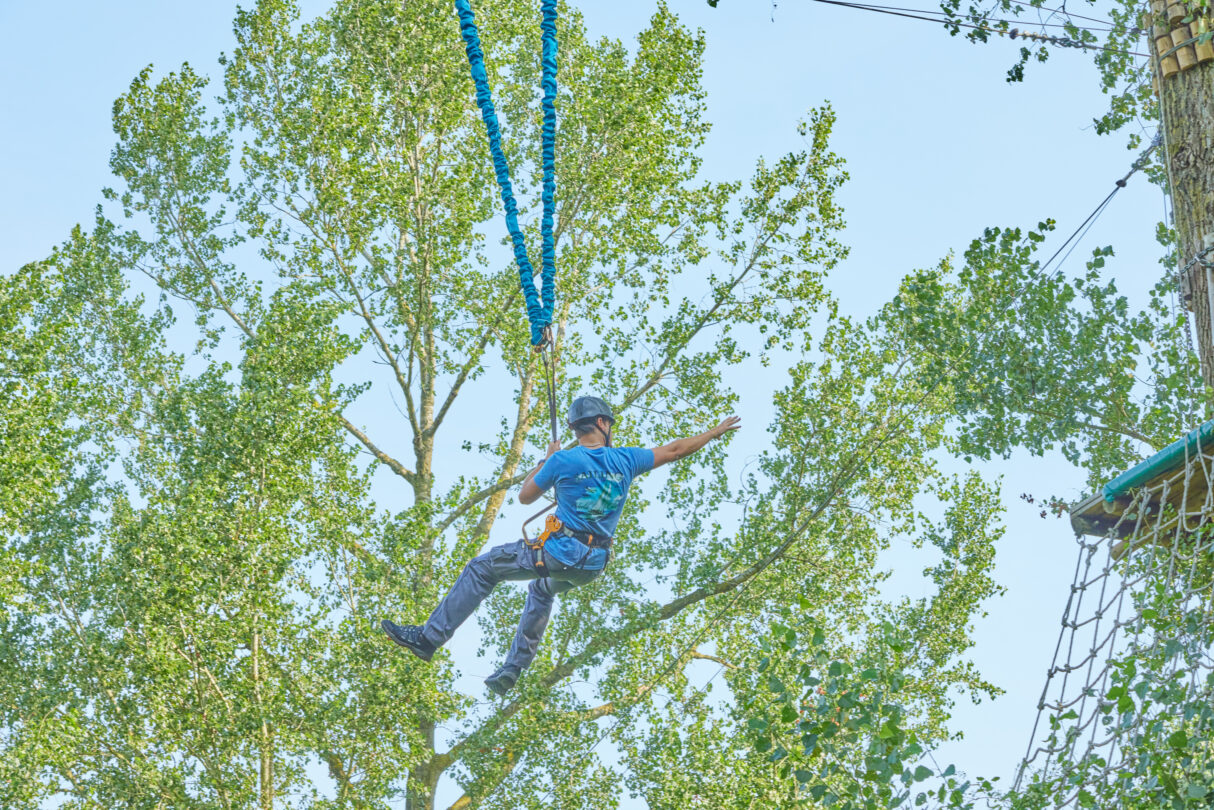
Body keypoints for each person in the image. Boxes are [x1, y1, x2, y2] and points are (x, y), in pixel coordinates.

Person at [381, 395, 741, 696]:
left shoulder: (563, 460)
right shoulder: (627, 460)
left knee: (482, 568)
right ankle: (512, 670)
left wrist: (545, 460)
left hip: (558, 554)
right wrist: (714, 432)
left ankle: (428, 638)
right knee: (541, 590)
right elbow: (676, 450)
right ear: (602, 422)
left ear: (576, 429)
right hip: (592, 565)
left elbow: (525, 497)